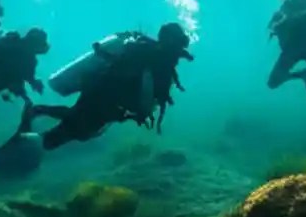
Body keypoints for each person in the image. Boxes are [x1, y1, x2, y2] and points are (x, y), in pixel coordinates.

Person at [14, 22, 194, 151]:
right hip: (102, 99)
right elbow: (143, 93)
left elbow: (146, 94)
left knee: (77, 129)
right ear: (171, 41)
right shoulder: (150, 58)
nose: (181, 50)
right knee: (75, 128)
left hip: (104, 100)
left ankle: (34, 131)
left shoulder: (155, 60)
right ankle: (33, 128)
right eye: (180, 43)